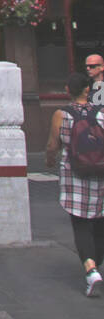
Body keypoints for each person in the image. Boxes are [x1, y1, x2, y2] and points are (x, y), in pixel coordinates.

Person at [46, 72, 104, 295]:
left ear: (68, 90)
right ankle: (95, 263)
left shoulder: (61, 115)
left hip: (75, 174)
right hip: (100, 173)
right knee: (99, 222)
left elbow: (53, 146)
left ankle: (91, 271)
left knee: (80, 222)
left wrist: (49, 161)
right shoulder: (101, 113)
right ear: (88, 90)